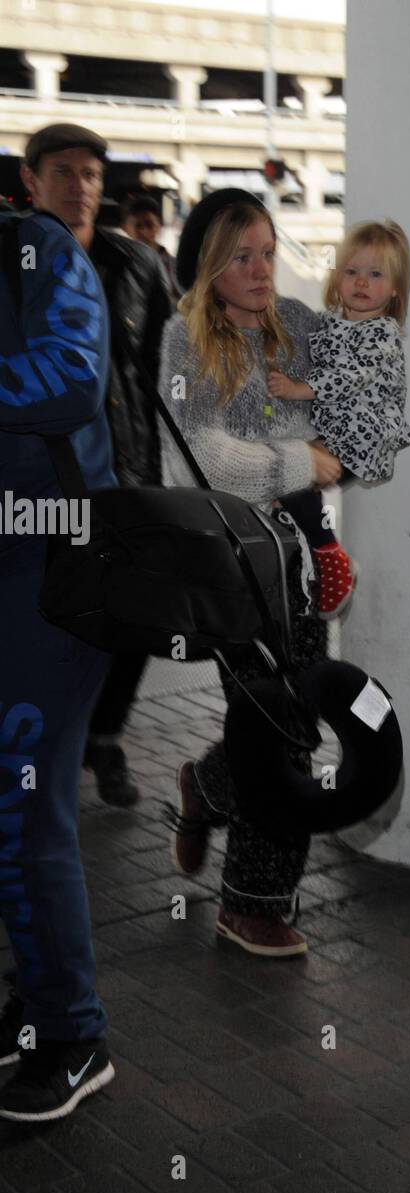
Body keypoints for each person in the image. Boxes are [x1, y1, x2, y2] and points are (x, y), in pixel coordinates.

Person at [160, 188, 335, 957]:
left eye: (267, 251)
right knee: (281, 725)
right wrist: (305, 461)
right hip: (227, 563)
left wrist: (323, 543)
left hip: (291, 562)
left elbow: (306, 467)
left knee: (292, 716)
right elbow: (201, 461)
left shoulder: (283, 338)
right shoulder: (182, 341)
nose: (263, 269)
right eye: (242, 256)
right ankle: (252, 903)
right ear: (208, 264)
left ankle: (208, 785)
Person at [0, 203, 116, 1120]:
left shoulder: (34, 245)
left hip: (50, 576)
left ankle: (74, 1035)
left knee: (25, 809)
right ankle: (36, 1009)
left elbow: (74, 378)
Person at [20, 124, 172, 809]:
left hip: (125, 475)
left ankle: (103, 738)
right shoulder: (11, 259)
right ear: (32, 180)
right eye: (62, 171)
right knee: (46, 619)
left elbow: (163, 372)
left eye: (89, 173)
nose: (79, 186)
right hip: (38, 485)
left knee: (133, 615)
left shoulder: (137, 264)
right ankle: (46, 751)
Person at [267, 218, 410, 617]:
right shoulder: (331, 322)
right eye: (352, 272)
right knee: (285, 480)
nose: (361, 282)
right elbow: (304, 349)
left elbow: (346, 378)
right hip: (330, 432)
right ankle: (308, 558)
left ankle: (332, 560)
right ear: (337, 278)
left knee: (293, 474)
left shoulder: (382, 334)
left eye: (375, 274)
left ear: (395, 288)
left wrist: (299, 389)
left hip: (360, 439)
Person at [124, 193, 182, 308]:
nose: (143, 231)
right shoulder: (122, 265)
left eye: (149, 224)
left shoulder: (174, 267)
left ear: (158, 227)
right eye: (138, 226)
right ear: (127, 229)